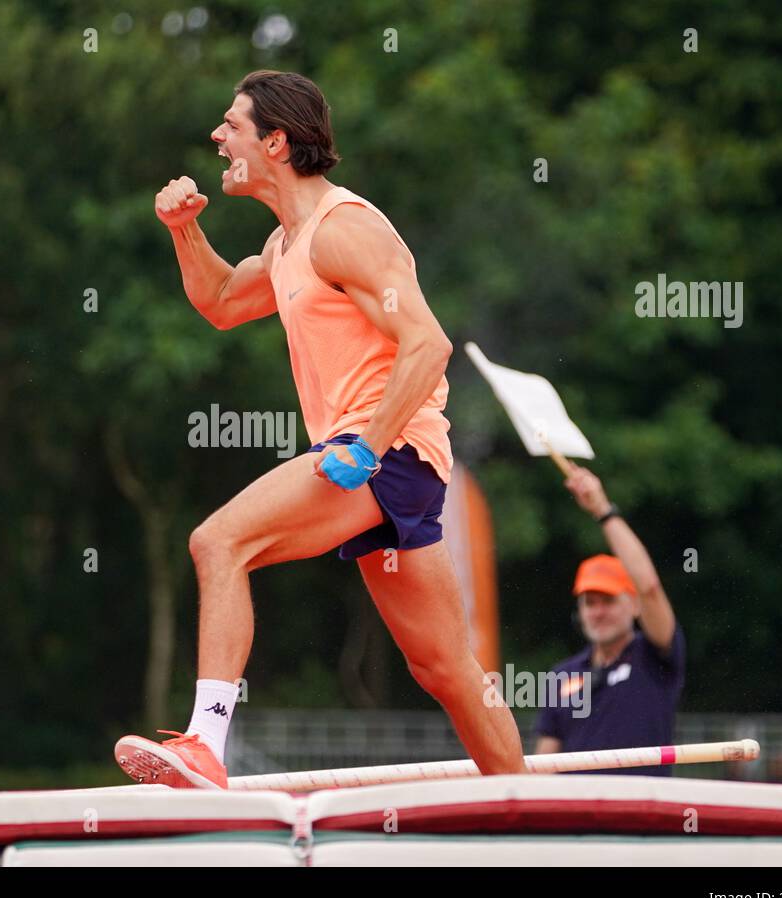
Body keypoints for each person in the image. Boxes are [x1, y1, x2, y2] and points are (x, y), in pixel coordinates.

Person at [114, 70, 526, 788]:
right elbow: (220, 302)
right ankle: (530, 809)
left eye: (231, 125)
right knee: (445, 668)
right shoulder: (287, 245)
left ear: (275, 142)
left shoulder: (344, 230)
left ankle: (205, 740)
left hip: (385, 451)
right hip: (390, 461)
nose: (216, 136)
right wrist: (184, 230)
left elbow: (428, 344)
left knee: (219, 542)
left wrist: (367, 448)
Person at [532, 467, 686, 775]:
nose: (598, 612)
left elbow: (649, 588)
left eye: (609, 601)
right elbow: (543, 763)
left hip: (641, 804)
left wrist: (603, 510)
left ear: (634, 606)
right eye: (590, 603)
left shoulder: (654, 657)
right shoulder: (562, 675)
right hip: (578, 806)